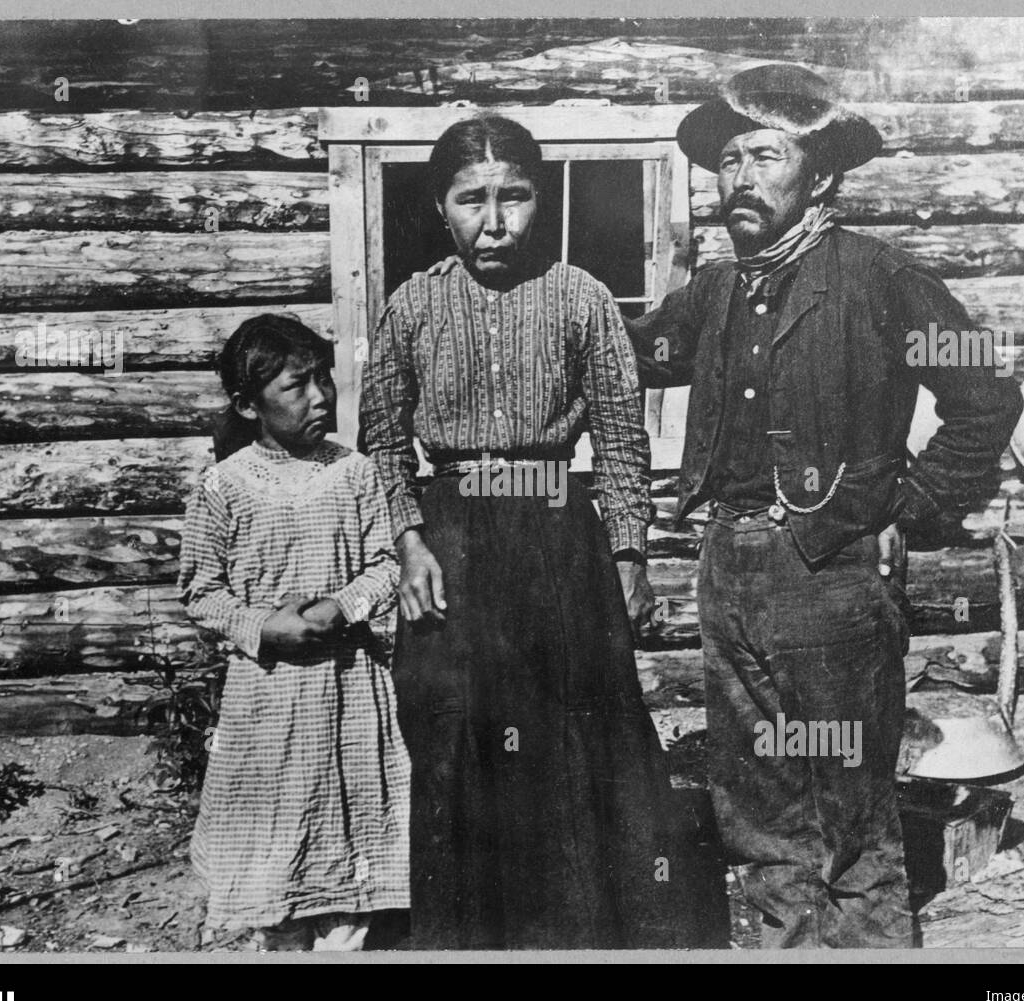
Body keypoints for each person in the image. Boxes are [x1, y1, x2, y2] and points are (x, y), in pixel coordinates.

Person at [627, 64, 1024, 947]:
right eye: (728, 160)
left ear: (821, 175)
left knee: (848, 813)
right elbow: (635, 350)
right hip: (728, 568)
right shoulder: (717, 291)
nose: (740, 179)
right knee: (760, 807)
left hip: (835, 580)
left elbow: (987, 397)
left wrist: (908, 508)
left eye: (765, 155)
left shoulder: (881, 280)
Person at [360, 114, 700, 949]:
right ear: (442, 208)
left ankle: (580, 934)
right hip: (451, 544)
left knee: (575, 742)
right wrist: (408, 542)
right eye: (473, 199)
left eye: (514, 197)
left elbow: (622, 435)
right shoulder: (412, 305)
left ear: (539, 200)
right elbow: (381, 437)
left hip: (557, 536)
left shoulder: (581, 297)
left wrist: (627, 553)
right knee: (454, 740)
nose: (495, 220)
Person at [180, 314, 410, 951]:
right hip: (268, 702)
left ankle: (343, 933)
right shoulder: (224, 487)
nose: (319, 397)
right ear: (247, 405)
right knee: (274, 848)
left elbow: (388, 565)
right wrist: (264, 627)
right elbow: (201, 592)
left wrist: (341, 606)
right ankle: (282, 935)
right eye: (295, 386)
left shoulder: (356, 473)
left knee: (351, 842)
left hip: (351, 694)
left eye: (323, 379)